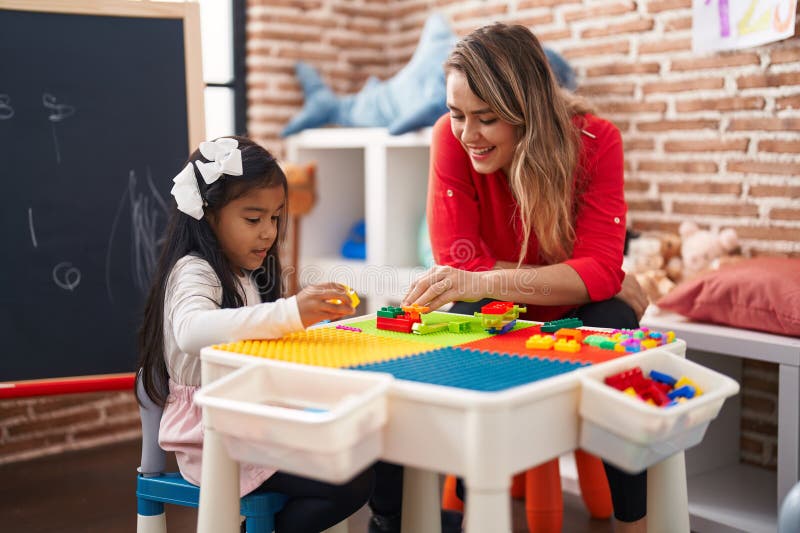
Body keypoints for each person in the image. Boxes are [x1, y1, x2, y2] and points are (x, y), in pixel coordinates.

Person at [369, 23, 649, 533]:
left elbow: (599, 275)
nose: (467, 134)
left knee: (614, 321)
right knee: (400, 369)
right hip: (497, 313)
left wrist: (591, 280)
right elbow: (461, 263)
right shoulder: (449, 139)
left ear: (530, 113)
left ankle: (636, 523)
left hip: (572, 316)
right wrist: (576, 276)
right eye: (457, 115)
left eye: (488, 118)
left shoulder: (597, 140)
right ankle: (396, 521)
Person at [136, 136, 373, 533]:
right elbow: (193, 331)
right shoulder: (194, 271)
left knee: (360, 455)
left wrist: (307, 321)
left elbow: (256, 334)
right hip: (211, 437)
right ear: (209, 217)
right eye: (253, 218)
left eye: (275, 218)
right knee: (345, 479)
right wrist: (290, 312)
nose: (268, 232)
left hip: (249, 419)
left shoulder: (246, 275)